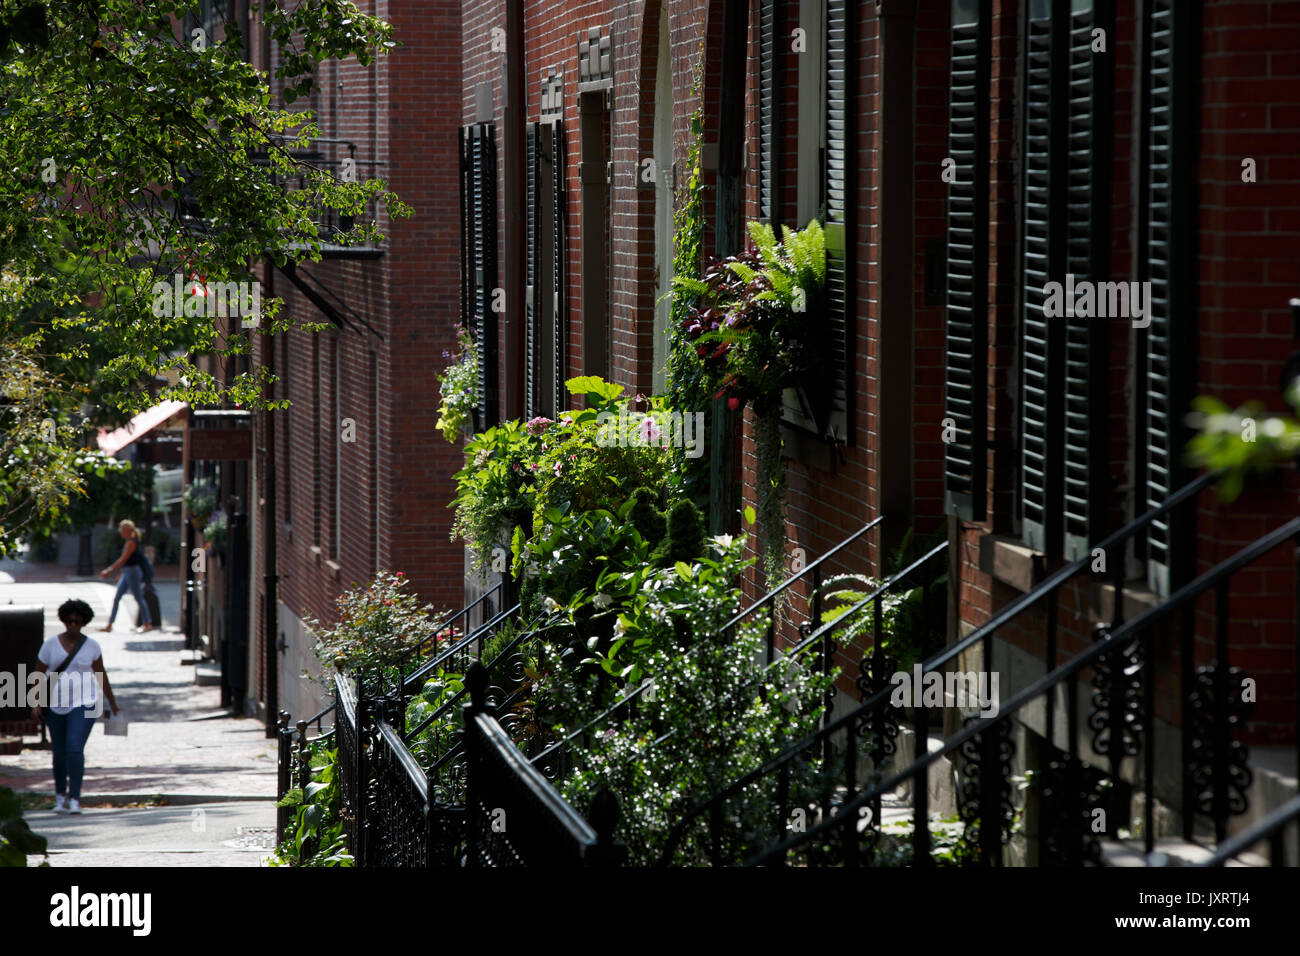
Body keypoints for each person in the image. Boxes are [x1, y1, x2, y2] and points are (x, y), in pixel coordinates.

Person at [32, 599, 120, 814]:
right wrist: (35, 703)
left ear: (84, 622)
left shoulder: (92, 647)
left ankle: (75, 799)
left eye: (77, 621)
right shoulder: (50, 645)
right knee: (59, 753)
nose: (72, 625)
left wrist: (112, 701)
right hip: (54, 703)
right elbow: (38, 675)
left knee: (74, 748)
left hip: (84, 702)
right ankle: (60, 795)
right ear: (63, 621)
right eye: (69, 621)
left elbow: (101, 674)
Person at [98, 519, 155, 633]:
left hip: (133, 572)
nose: (120, 532)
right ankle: (109, 624)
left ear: (128, 530)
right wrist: (120, 574)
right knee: (117, 597)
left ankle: (147, 623)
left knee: (138, 597)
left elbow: (123, 559)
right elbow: (126, 561)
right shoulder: (129, 541)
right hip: (127, 572)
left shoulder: (132, 543)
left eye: (122, 530)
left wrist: (109, 570)